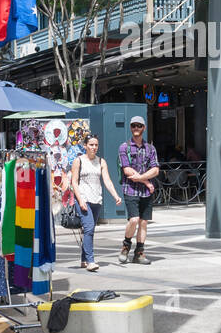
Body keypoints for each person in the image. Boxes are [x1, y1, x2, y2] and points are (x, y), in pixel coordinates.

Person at [69, 135, 123, 272]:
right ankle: (91, 261)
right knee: (89, 227)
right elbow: (74, 182)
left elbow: (107, 180)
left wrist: (115, 196)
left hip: (96, 199)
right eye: (91, 145)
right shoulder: (79, 160)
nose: (94, 147)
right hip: (83, 198)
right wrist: (80, 200)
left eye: (96, 145)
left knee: (89, 230)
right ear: (85, 146)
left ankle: (83, 260)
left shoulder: (101, 162)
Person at [117, 115, 160, 265]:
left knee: (143, 223)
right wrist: (147, 181)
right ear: (130, 127)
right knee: (134, 220)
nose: (136, 128)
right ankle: (125, 246)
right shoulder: (124, 147)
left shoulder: (150, 148)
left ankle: (139, 253)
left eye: (139, 126)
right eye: (134, 125)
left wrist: (143, 179)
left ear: (144, 128)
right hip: (130, 190)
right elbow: (127, 170)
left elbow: (155, 169)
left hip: (146, 193)